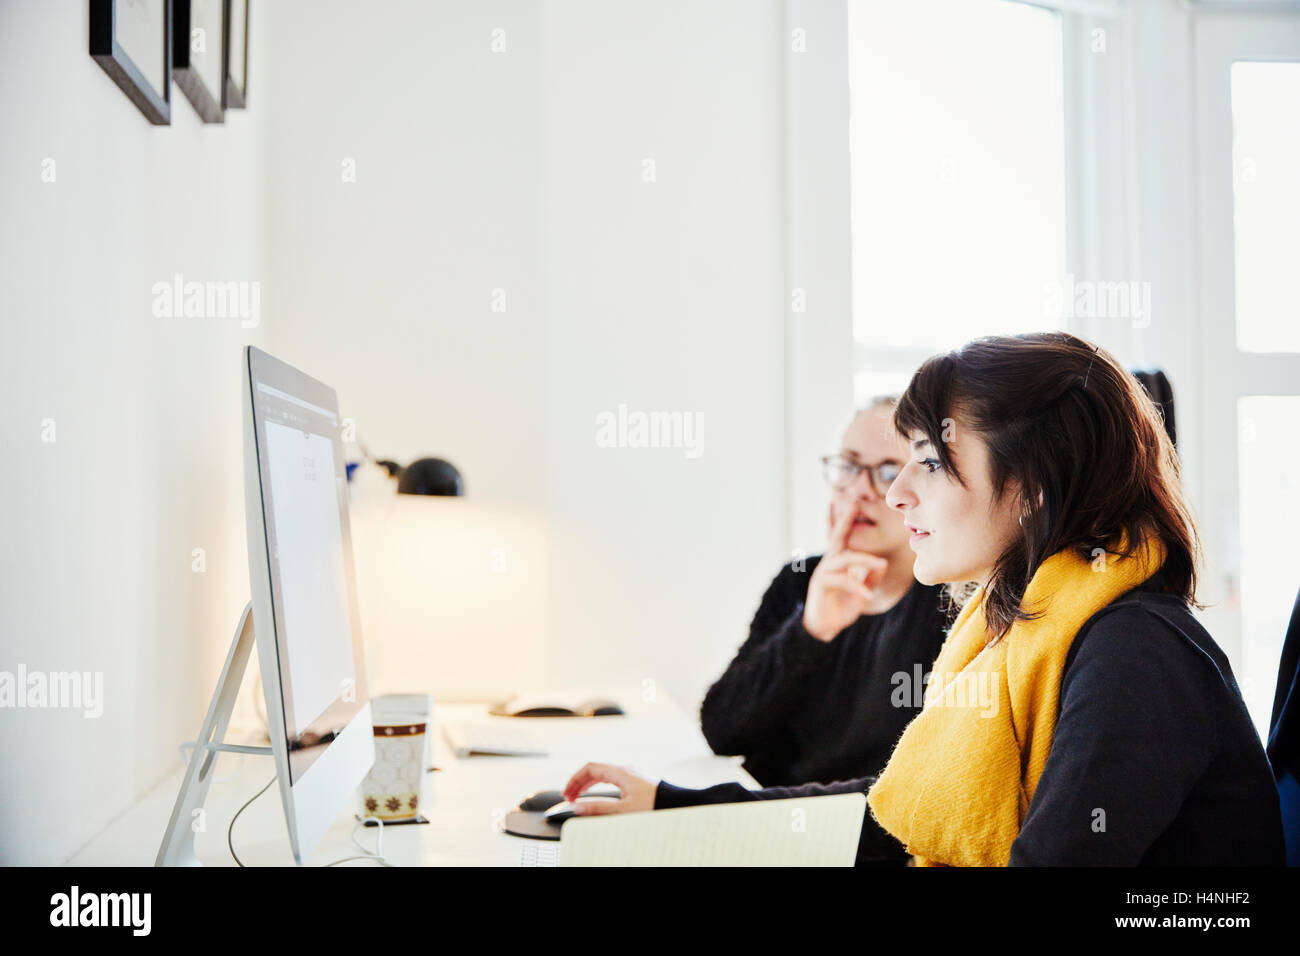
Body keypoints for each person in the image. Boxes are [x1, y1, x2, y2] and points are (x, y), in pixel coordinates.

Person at [562, 332, 1285, 866]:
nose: (896, 492)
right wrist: (673, 808)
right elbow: (896, 814)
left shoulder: (1134, 651)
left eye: (929, 463)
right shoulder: (1011, 627)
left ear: (1033, 488)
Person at [699, 398, 950, 799]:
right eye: (849, 466)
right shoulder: (799, 582)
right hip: (759, 811)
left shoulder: (950, 604)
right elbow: (723, 731)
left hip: (847, 826)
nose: (860, 491)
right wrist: (810, 631)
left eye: (888, 472)